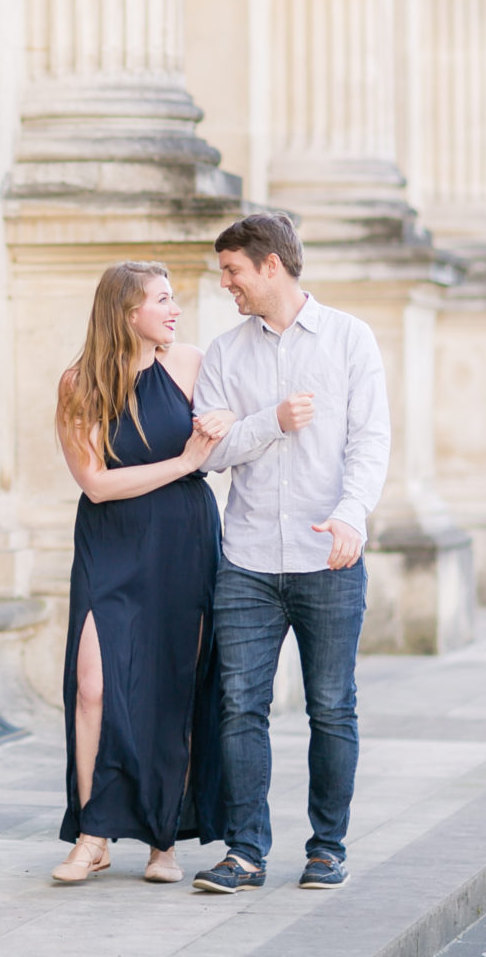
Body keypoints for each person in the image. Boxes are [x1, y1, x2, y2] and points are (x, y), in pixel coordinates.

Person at [188, 212, 390, 895]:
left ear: (270, 265)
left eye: (233, 272)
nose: (226, 286)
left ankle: (327, 848)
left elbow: (369, 440)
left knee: (331, 706)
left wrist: (351, 514)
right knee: (239, 707)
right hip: (245, 559)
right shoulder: (224, 353)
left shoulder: (349, 340)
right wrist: (268, 422)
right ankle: (245, 853)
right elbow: (210, 454)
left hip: (328, 556)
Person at [50, 261, 229, 885]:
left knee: (172, 684)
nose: (175, 309)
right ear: (128, 313)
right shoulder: (79, 383)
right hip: (112, 542)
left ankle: (164, 843)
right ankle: (93, 835)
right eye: (162, 299)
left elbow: (236, 429)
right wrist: (186, 461)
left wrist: (226, 424)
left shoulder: (191, 363)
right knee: (94, 683)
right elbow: (96, 484)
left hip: (184, 539)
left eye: (173, 298)